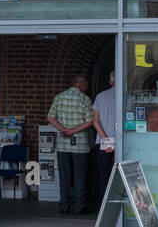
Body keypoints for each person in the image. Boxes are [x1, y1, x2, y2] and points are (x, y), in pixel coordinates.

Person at [47, 73, 93, 215]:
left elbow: (50, 117)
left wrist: (64, 130)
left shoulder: (59, 97)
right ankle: (79, 206)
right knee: (79, 175)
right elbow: (89, 121)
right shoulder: (84, 99)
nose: (87, 87)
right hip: (80, 145)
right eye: (86, 84)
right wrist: (73, 130)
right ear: (81, 83)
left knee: (64, 175)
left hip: (62, 144)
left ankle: (64, 205)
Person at [91, 69, 118, 205]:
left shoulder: (100, 96)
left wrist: (107, 141)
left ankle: (104, 204)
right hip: (122, 141)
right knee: (122, 174)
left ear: (110, 81)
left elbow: (95, 121)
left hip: (103, 141)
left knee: (104, 175)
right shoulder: (127, 96)